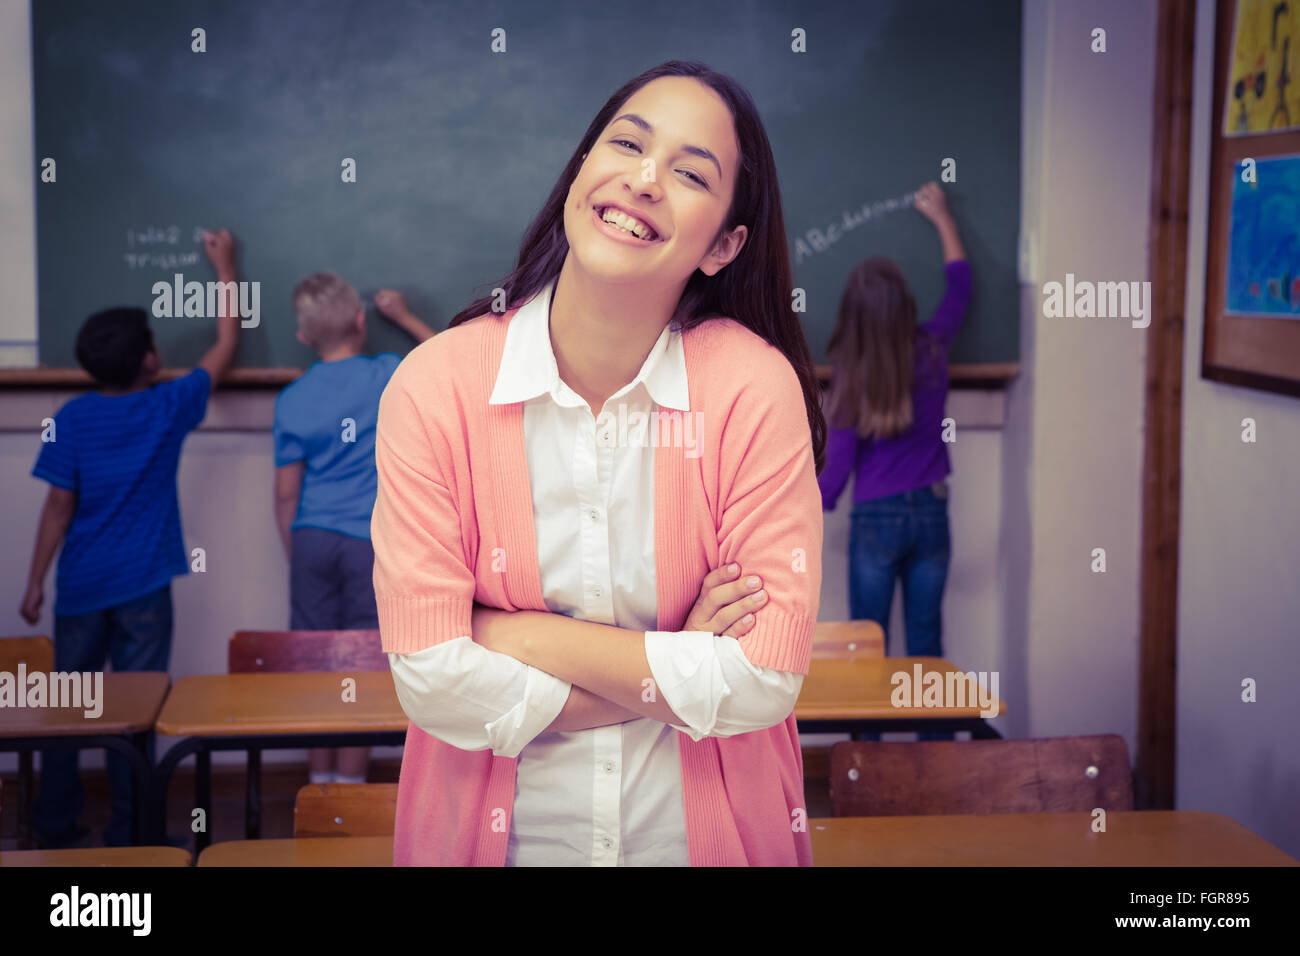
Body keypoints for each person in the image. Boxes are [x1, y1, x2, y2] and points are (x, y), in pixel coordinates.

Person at [371, 60, 826, 866]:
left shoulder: (754, 388)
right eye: (627, 144)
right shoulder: (435, 384)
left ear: (724, 244)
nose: (646, 180)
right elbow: (434, 684)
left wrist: (510, 635)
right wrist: (677, 662)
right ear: (583, 170)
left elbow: (760, 684)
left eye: (691, 173)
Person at [20, 229, 242, 847]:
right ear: (150, 360)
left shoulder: (72, 419)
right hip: (143, 589)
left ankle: (55, 827)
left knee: (65, 715)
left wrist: (35, 581)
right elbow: (226, 345)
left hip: (81, 590)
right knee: (134, 714)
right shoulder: (167, 406)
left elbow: (57, 509)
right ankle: (133, 833)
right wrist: (226, 268)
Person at [818, 182, 971, 740]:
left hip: (876, 520)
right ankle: (937, 763)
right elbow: (961, 285)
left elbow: (833, 478)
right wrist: (943, 218)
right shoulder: (933, 349)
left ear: (851, 318)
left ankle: (867, 765)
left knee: (868, 648)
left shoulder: (851, 383)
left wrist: (796, 518)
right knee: (926, 647)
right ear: (906, 305)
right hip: (931, 512)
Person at [272, 278, 436, 786]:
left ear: (302, 337)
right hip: (373, 541)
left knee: (317, 660)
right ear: (362, 323)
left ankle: (318, 779)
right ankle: (350, 783)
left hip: (313, 538)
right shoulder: (388, 372)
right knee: (366, 660)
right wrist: (405, 315)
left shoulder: (293, 397)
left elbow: (284, 493)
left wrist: (294, 548)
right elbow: (446, 358)